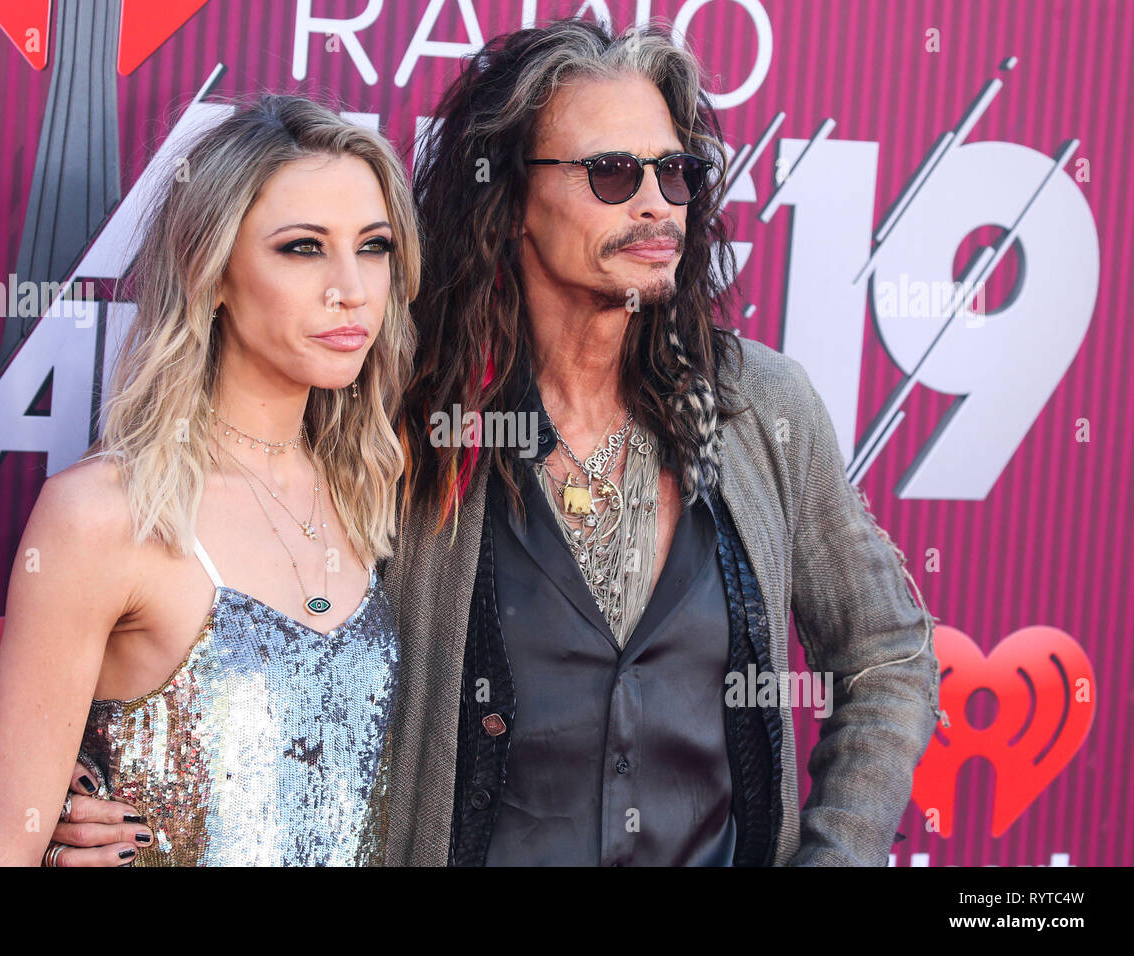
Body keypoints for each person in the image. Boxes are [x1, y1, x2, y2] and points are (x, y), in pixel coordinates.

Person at [46, 18, 941, 868]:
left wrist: (836, 853)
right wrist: (104, 789)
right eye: (614, 173)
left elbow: (891, 655)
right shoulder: (397, 418)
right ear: (511, 197)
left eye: (678, 173)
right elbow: (244, 619)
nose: (657, 204)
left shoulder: (759, 407)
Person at [0, 92, 419, 866]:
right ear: (212, 275)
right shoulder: (105, 515)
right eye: (303, 247)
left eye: (373, 246)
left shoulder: (374, 490)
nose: (352, 287)